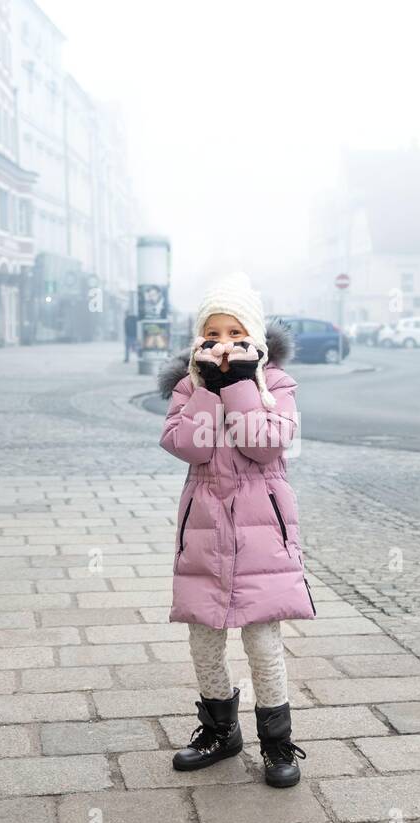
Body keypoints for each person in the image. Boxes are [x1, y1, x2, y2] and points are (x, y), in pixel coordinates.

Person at [157, 272, 316, 788]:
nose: (223, 343)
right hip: (204, 531)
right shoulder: (189, 387)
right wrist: (209, 390)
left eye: (234, 332)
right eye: (213, 333)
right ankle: (219, 731)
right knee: (204, 638)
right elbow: (188, 446)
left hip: (261, 534)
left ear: (254, 337)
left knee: (263, 642)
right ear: (199, 340)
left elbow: (264, 446)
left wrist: (242, 385)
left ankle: (276, 742)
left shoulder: (278, 386)